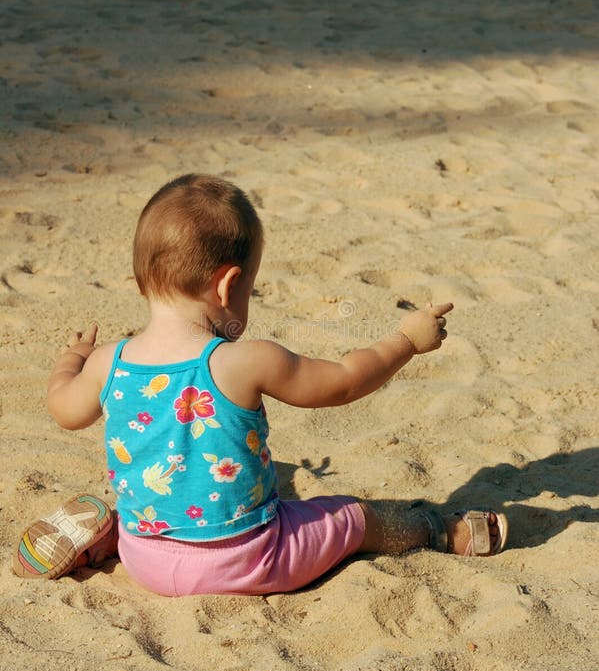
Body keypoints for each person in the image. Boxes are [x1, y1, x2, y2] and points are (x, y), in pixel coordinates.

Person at [13, 174, 508, 595]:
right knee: (352, 519)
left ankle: (109, 535)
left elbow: (64, 409)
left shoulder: (108, 362)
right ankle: (442, 531)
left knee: (153, 490)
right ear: (228, 286)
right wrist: (406, 340)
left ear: (143, 278)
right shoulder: (244, 361)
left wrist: (71, 359)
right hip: (250, 559)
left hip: (146, 562)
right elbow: (343, 383)